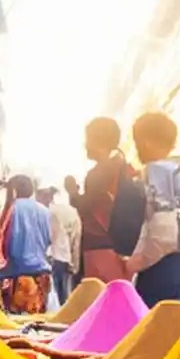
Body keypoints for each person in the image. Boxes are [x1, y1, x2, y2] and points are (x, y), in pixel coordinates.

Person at [126, 112, 180, 307]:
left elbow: (163, 234)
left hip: (159, 273)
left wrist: (134, 263)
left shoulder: (157, 175)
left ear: (146, 142)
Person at [67, 118, 132, 283]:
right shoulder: (123, 167)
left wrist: (73, 193)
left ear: (99, 141)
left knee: (101, 294)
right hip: (121, 246)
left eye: (88, 139)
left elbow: (88, 208)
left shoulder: (98, 173)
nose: (85, 145)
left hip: (99, 246)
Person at [0, 175, 53, 314]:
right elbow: (50, 239)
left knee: (14, 322)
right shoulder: (44, 211)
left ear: (14, 189)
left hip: (15, 275)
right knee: (38, 320)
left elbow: (5, 241)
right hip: (40, 275)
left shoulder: (10, 209)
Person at [38, 186, 81, 305]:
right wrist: (75, 263)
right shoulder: (70, 211)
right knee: (63, 295)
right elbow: (76, 238)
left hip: (50, 257)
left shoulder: (47, 213)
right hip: (63, 258)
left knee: (51, 296)